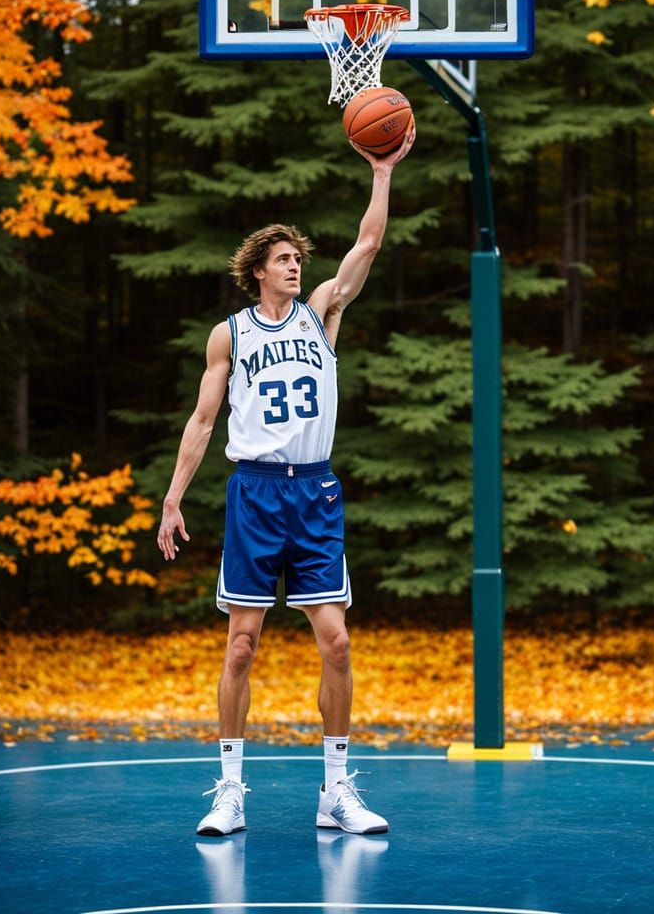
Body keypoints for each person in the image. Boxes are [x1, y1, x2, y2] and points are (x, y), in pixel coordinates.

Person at [157, 123, 415, 837]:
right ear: (258, 271)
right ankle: (231, 790)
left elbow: (366, 245)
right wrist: (174, 497)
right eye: (283, 259)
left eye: (298, 257)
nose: (295, 266)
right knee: (242, 643)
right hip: (255, 494)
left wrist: (382, 171)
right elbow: (204, 422)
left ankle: (336, 793)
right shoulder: (229, 336)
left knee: (336, 641)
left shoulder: (322, 314)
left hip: (315, 492)